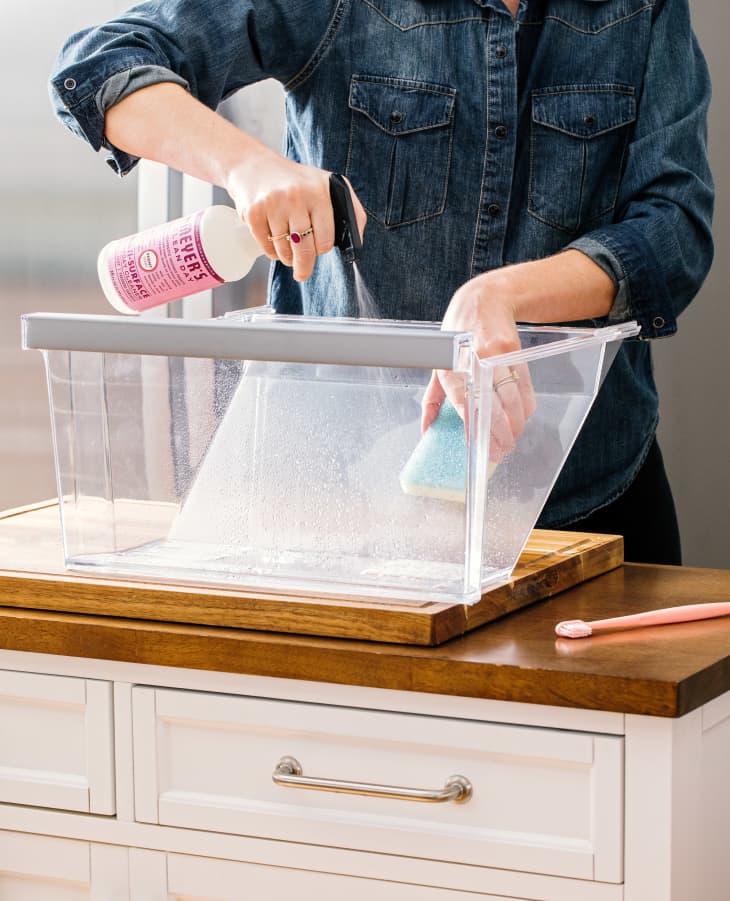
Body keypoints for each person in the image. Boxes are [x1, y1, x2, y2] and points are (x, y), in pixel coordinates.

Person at [49, 0, 714, 564]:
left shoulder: (643, 10)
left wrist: (500, 296)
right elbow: (102, 64)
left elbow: (674, 228)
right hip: (345, 503)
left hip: (586, 499)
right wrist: (248, 168)